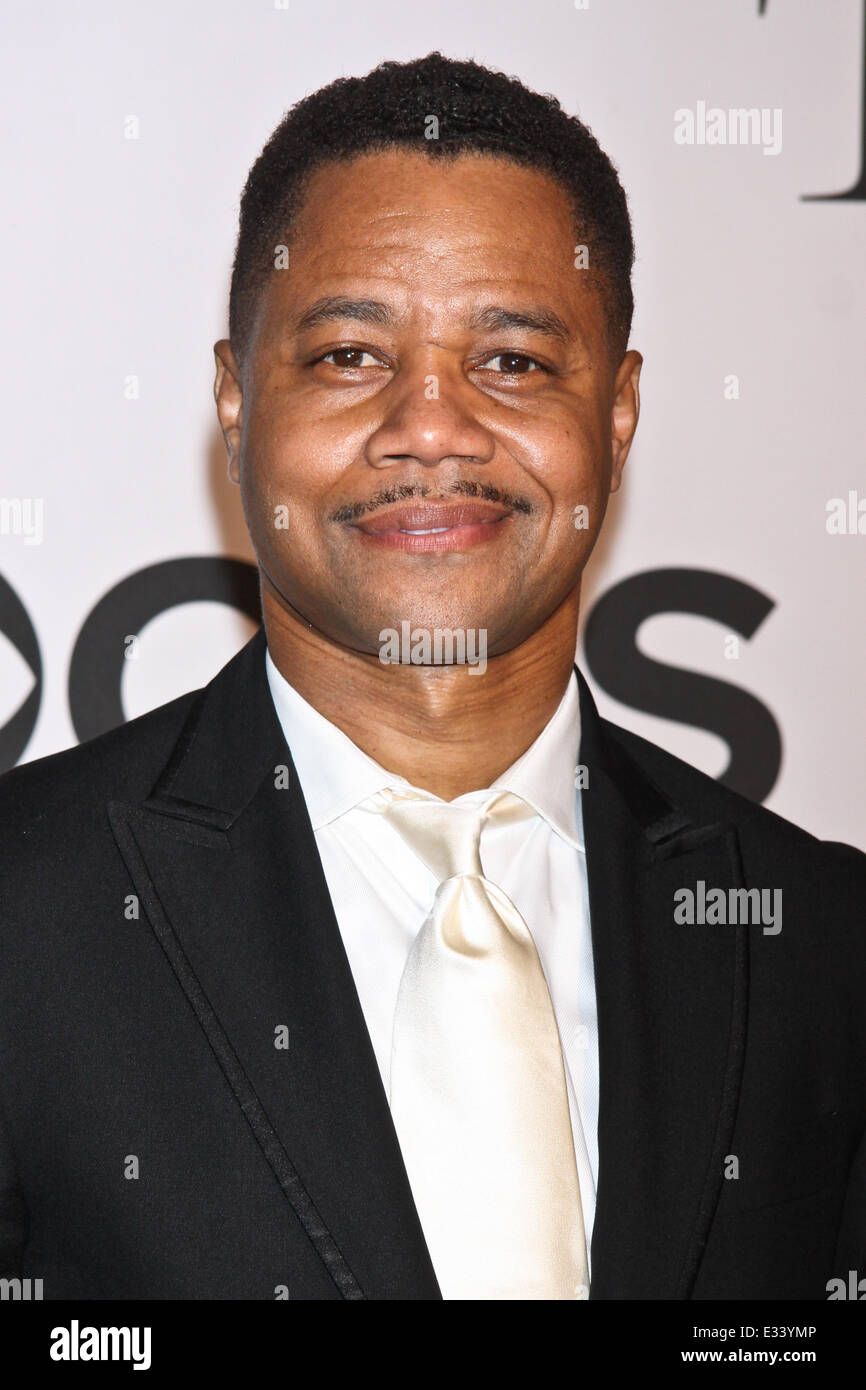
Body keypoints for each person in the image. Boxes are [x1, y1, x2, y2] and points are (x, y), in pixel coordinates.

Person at [1, 52, 863, 1302]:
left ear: (616, 414)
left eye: (510, 362)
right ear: (235, 404)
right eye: (351, 354)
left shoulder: (816, 938)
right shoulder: (28, 908)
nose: (431, 424)